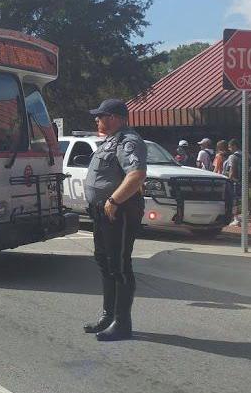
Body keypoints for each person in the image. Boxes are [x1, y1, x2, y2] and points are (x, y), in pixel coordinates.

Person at [81, 99, 146, 342]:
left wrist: (115, 200)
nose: (96, 119)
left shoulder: (128, 141)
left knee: (119, 266)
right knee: (105, 262)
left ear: (115, 117)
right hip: (102, 212)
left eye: (101, 115)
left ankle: (122, 323)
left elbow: (137, 175)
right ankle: (109, 315)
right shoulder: (110, 140)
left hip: (119, 211)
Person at [224, 139, 251, 227]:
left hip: (236, 181)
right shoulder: (247, 155)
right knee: (246, 198)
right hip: (246, 180)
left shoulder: (232, 156)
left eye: (229, 146)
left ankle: (236, 219)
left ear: (234, 146)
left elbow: (232, 169)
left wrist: (229, 180)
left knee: (234, 199)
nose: (229, 149)